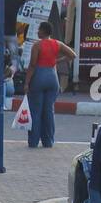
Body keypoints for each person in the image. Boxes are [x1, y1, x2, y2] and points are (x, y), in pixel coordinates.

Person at [23, 21, 75, 150]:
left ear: (43, 31)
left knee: (35, 111)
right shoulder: (58, 44)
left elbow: (33, 64)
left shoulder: (37, 45)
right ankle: (48, 141)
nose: (37, 32)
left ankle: (33, 141)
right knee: (49, 111)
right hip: (53, 77)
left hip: (39, 77)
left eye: (39, 29)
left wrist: (26, 82)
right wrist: (57, 60)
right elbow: (72, 55)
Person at [3, 0, 42, 70]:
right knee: (14, 58)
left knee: (0, 57)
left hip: (1, 33)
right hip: (11, 34)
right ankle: (12, 74)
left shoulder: (1, 1)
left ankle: (0, 72)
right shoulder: (17, 1)